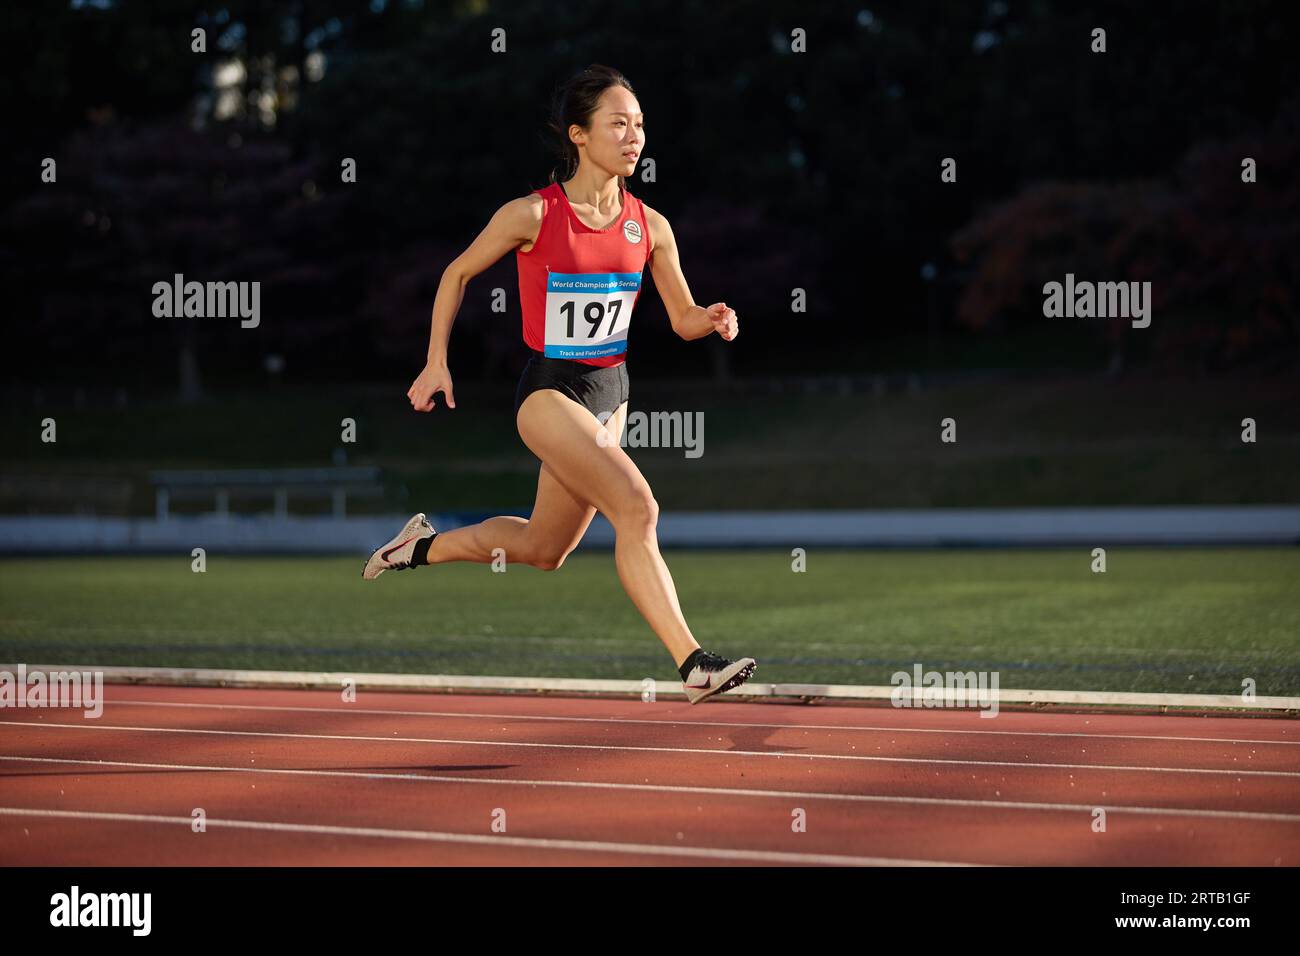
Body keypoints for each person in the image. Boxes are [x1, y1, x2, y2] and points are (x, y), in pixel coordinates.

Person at [363, 64, 755, 705]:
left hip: (612, 396)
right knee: (638, 507)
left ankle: (419, 547)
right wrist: (437, 361)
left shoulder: (650, 226)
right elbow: (455, 275)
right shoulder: (531, 215)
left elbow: (680, 318)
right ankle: (694, 663)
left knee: (544, 548)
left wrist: (710, 319)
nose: (634, 137)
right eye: (618, 124)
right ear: (578, 134)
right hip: (550, 393)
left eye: (640, 125)